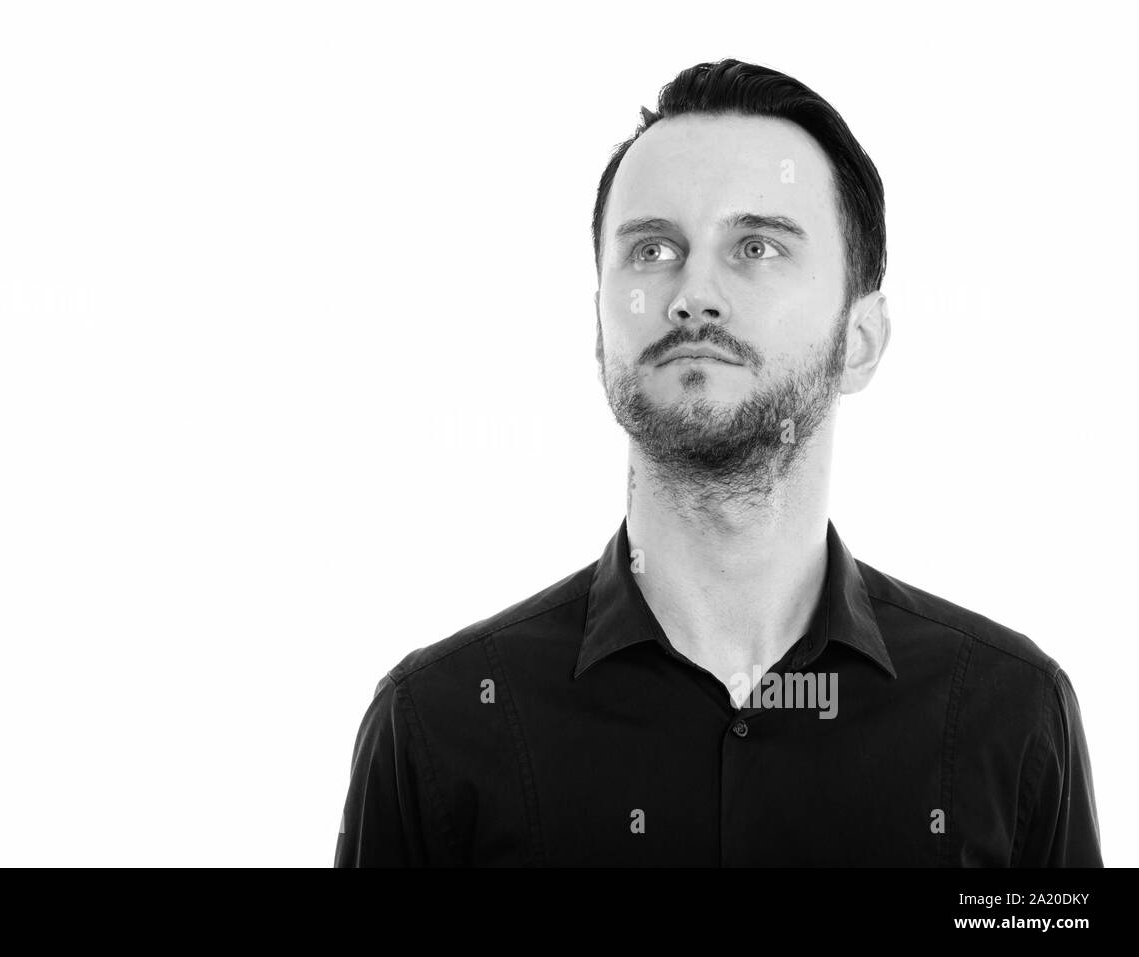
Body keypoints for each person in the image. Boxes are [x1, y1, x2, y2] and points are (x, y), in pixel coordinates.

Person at [334, 58, 1103, 867]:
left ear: (861, 340)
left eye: (757, 246)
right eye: (654, 247)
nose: (693, 293)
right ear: (602, 336)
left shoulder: (1009, 717)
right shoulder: (436, 727)